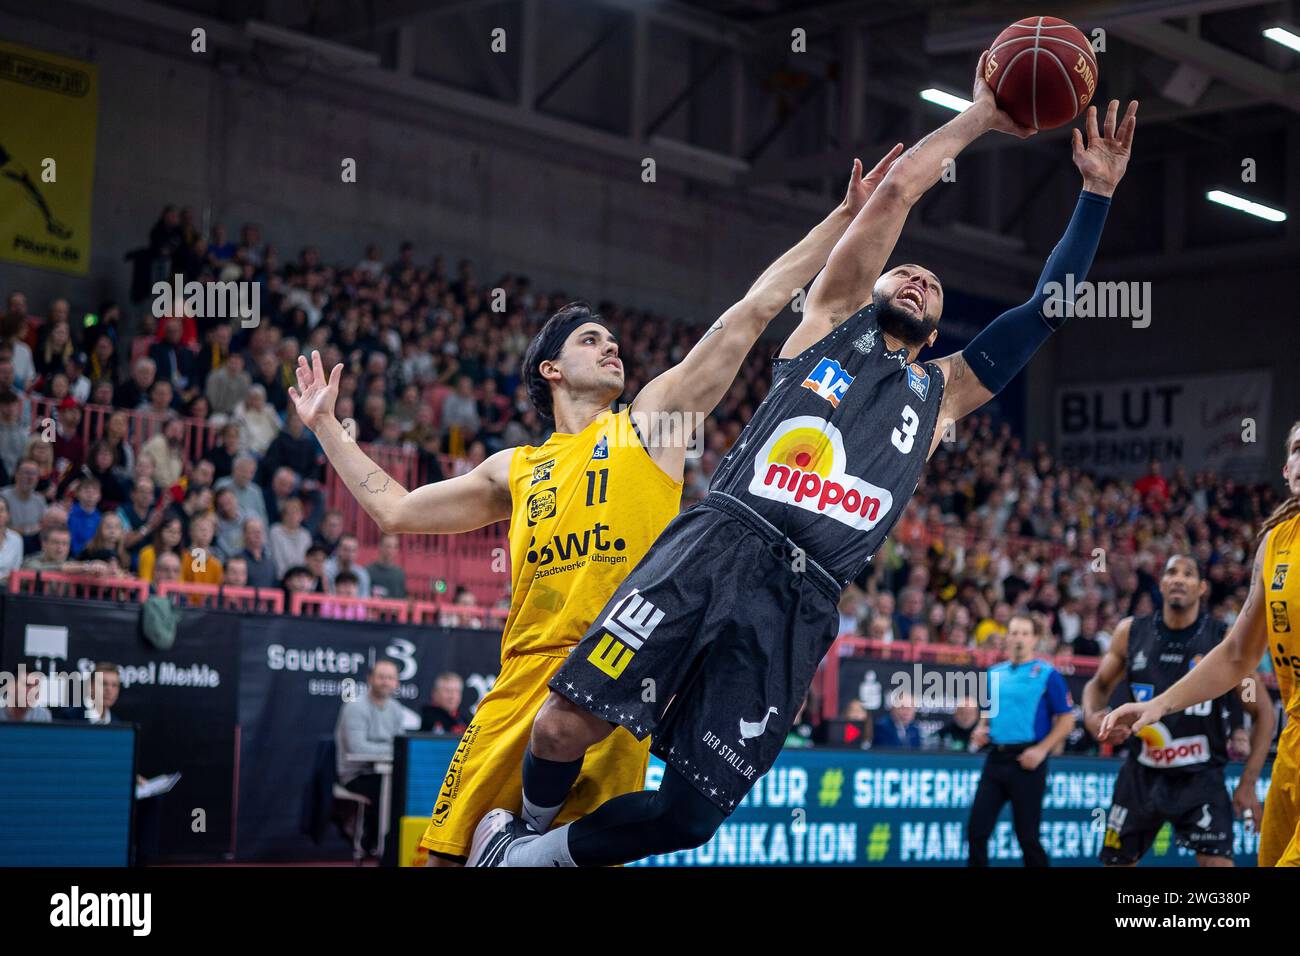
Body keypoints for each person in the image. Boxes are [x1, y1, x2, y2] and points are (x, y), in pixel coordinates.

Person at [473, 67, 1137, 867]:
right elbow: (891, 200)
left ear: (936, 331)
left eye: (933, 284)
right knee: (560, 725)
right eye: (906, 271)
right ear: (870, 287)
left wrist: (1095, 197)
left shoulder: (943, 394)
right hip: (719, 543)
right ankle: (520, 834)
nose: (920, 277)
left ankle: (531, 860)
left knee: (691, 817)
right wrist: (981, 117)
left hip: (800, 601)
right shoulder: (827, 323)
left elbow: (1045, 310)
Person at [289, 146, 897, 866]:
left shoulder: (653, 424)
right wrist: (327, 427)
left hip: (616, 680)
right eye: (590, 340)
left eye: (612, 341)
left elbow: (751, 312)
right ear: (551, 369)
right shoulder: (515, 468)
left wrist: (841, 218)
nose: (611, 348)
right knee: (440, 860)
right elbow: (393, 508)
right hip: (520, 680)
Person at [1104, 420, 1300, 867]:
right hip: (1293, 741)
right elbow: (1236, 655)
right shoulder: (1274, 545)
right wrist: (1158, 707)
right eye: (1298, 448)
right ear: (1287, 469)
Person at [1084, 555, 1273, 867]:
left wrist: (1249, 782)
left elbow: (1263, 712)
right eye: (1171, 572)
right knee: (1116, 863)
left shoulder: (1221, 640)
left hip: (1201, 778)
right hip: (1141, 774)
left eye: (1188, 573)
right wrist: (1092, 716)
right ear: (1161, 584)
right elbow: (1097, 685)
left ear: (1202, 588)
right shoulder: (1130, 633)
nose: (1179, 579)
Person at [966, 615, 1075, 867]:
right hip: (996, 759)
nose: (1019, 639)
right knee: (976, 831)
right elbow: (988, 713)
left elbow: (1067, 720)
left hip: (1028, 761)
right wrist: (980, 729)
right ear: (1007, 638)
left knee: (1027, 837)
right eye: (1014, 633)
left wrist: (1041, 751)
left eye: (1025, 633)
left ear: (1035, 639)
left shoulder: (1048, 674)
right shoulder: (994, 673)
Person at [334, 658, 417, 856]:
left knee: (404, 788)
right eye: (381, 677)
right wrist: (390, 749)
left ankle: (392, 846)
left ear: (396, 682)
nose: (385, 682)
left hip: (384, 772)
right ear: (370, 679)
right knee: (390, 791)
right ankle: (381, 847)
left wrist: (388, 749)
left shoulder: (396, 709)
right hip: (355, 774)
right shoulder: (355, 707)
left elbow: (399, 745)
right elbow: (358, 748)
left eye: (390, 678)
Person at [367, 533, 407, 599]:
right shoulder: (368, 571)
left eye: (395, 547)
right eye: (388, 546)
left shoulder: (400, 574)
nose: (391, 550)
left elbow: (402, 600)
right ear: (380, 547)